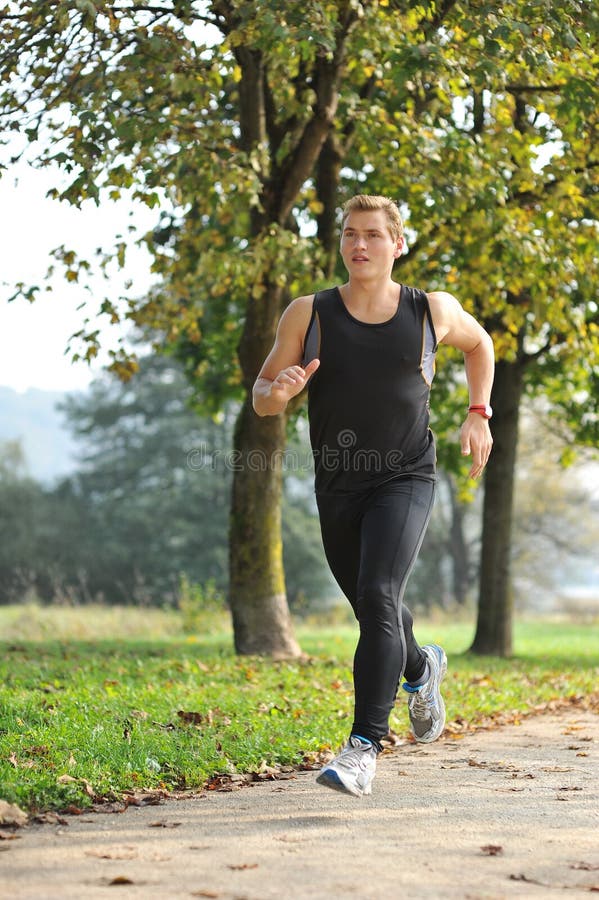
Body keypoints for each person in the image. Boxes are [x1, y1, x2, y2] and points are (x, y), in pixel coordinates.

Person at [252, 194, 494, 797]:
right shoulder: (308, 314)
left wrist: (478, 412)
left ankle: (363, 747)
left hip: (406, 475)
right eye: (350, 235)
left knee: (380, 592)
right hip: (338, 481)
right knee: (373, 607)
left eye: (373, 236)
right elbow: (262, 395)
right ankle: (422, 666)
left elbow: (480, 344)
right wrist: (278, 393)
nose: (360, 245)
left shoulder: (430, 311)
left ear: (397, 244)